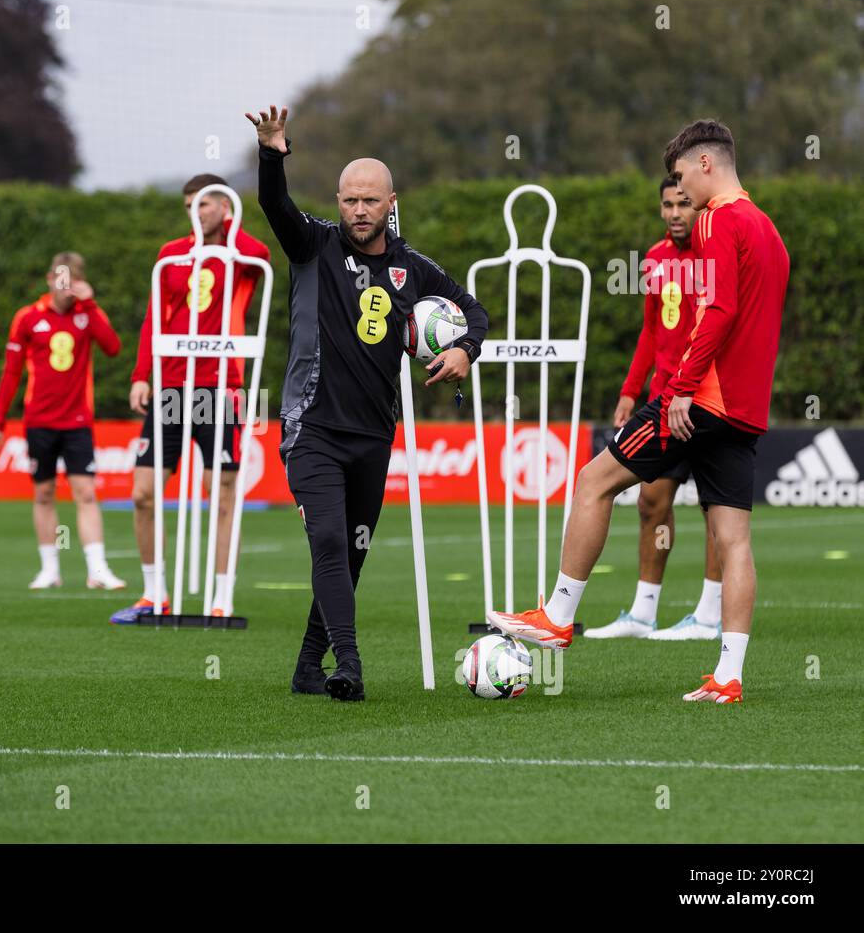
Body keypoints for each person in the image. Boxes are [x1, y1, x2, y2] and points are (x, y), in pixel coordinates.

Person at [488, 120, 789, 705]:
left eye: (680, 178)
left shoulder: (720, 218)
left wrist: (680, 387)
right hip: (746, 411)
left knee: (593, 481)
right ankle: (729, 675)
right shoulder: (768, 229)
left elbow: (719, 311)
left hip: (702, 400)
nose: (678, 194)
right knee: (734, 539)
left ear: (706, 164)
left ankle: (558, 615)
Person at [246, 105, 489, 701]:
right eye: (350, 199)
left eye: (370, 201)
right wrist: (273, 152)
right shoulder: (314, 245)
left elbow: (474, 311)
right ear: (339, 200)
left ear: (390, 203)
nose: (358, 210)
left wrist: (466, 351)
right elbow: (274, 205)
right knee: (328, 540)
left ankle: (308, 665)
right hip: (312, 428)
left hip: (375, 435)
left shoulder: (413, 268)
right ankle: (348, 665)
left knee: (351, 552)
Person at [110, 174, 271, 623]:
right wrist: (141, 375)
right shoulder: (171, 255)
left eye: (202, 204)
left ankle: (222, 598)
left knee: (220, 494)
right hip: (170, 387)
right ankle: (154, 593)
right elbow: (153, 320)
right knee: (143, 493)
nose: (194, 213)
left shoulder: (239, 254)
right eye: (188, 206)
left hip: (223, 388)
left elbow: (262, 257)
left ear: (223, 208)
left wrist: (232, 225)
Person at [586, 176, 723, 640]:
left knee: (717, 508)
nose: (675, 213)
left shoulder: (713, 254)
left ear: (699, 206)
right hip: (664, 401)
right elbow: (650, 332)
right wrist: (631, 390)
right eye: (667, 204)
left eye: (684, 203)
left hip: (706, 400)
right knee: (651, 501)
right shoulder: (655, 258)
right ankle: (643, 614)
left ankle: (709, 614)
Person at [0, 252, 127, 590]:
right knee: (44, 493)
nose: (65, 287)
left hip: (78, 420)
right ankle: (50, 568)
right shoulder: (27, 318)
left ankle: (97, 569)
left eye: (72, 280)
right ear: (49, 280)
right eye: (60, 279)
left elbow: (112, 348)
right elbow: (11, 373)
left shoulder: (88, 314)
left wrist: (90, 304)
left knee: (86, 493)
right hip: (39, 420)